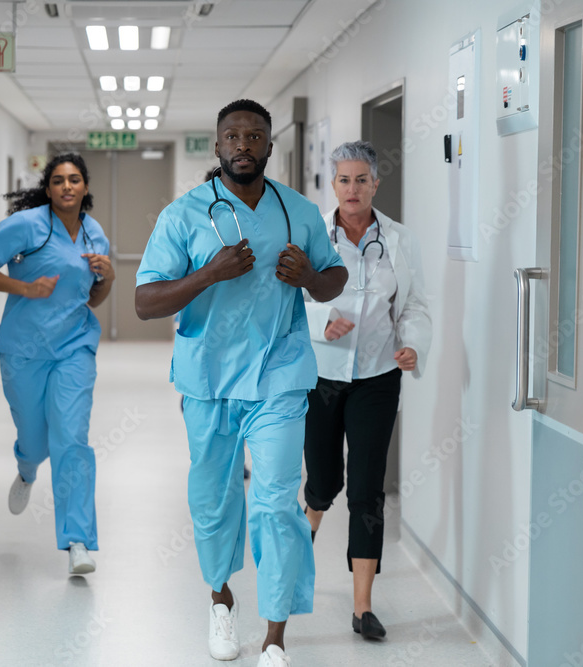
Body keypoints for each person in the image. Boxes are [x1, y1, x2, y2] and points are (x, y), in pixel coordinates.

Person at [135, 99, 348, 667]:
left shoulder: (299, 211)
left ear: (271, 146)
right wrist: (209, 273)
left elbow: (334, 278)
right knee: (214, 500)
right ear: (218, 146)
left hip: (280, 375)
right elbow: (144, 301)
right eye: (232, 136)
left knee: (277, 503)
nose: (244, 145)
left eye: (255, 136)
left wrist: (307, 277)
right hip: (207, 379)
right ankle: (221, 601)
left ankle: (275, 638)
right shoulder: (183, 216)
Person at [302, 140, 431, 640]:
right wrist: (322, 318)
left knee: (367, 490)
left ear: (376, 184)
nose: (352, 189)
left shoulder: (400, 240)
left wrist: (413, 344)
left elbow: (416, 304)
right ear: (331, 184)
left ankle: (363, 607)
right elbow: (290, 298)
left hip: (378, 376)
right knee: (323, 481)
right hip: (323, 376)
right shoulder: (313, 233)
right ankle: (298, 553)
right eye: (343, 180)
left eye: (361, 180)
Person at [0, 153, 114, 576]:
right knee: (36, 441)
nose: (67, 187)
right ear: (48, 189)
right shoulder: (26, 226)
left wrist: (108, 276)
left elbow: (93, 299)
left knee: (72, 439)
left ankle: (78, 541)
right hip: (24, 348)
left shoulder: (95, 235)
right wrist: (25, 288)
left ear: (85, 187)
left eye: (74, 180)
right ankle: (26, 466)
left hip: (74, 347)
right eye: (58, 181)